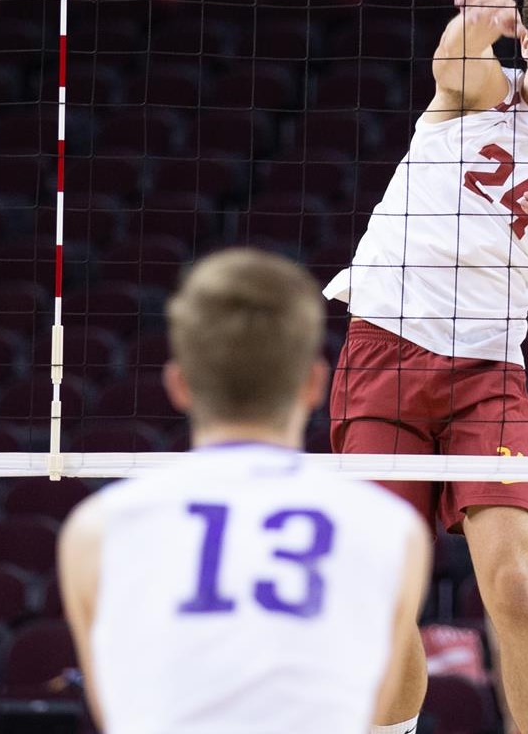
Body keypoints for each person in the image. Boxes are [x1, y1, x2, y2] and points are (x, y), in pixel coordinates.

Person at [326, 0, 528, 734]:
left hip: (489, 373)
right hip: (387, 349)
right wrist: (475, 21)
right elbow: (454, 61)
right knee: (385, 583)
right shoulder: (482, 91)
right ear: (526, 39)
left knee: (519, 588)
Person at [56, 248, 432, 734]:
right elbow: (373, 711)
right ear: (316, 384)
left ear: (178, 384)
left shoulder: (96, 529)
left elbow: (116, 708)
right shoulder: (392, 529)